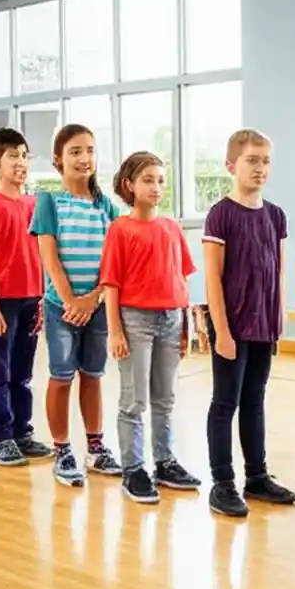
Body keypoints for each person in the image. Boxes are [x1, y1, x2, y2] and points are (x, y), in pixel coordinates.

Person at [202, 129, 295, 517]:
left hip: (263, 327)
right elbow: (213, 278)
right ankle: (222, 483)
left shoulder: (275, 215)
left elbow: (278, 271)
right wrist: (222, 332)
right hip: (232, 326)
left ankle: (256, 477)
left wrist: (278, 318)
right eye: (252, 160)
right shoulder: (220, 214)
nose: (260, 168)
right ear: (231, 166)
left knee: (254, 402)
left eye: (266, 161)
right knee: (225, 402)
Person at [99, 151, 202, 504]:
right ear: (129, 185)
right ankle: (134, 468)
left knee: (165, 397)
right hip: (135, 321)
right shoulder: (120, 229)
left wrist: (187, 326)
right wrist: (115, 330)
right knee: (135, 399)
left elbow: (181, 280)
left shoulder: (171, 228)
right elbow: (111, 283)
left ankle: (165, 461)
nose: (157, 186)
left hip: (171, 320)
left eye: (160, 179)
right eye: (148, 180)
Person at [30, 124, 123, 486]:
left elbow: (114, 262)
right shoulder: (48, 202)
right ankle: (62, 448)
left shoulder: (106, 206)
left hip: (96, 305)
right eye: (75, 152)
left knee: (93, 375)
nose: (84, 158)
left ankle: (96, 447)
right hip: (61, 308)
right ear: (58, 160)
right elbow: (50, 260)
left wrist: (93, 298)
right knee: (62, 375)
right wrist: (71, 302)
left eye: (89, 150)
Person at [0, 127, 53, 466]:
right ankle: (1, 437)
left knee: (23, 372)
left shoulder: (36, 204)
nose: (21, 163)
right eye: (13, 157)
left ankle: (22, 431)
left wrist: (44, 297)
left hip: (32, 299)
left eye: (24, 156)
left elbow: (45, 255)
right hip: (1, 302)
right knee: (0, 370)